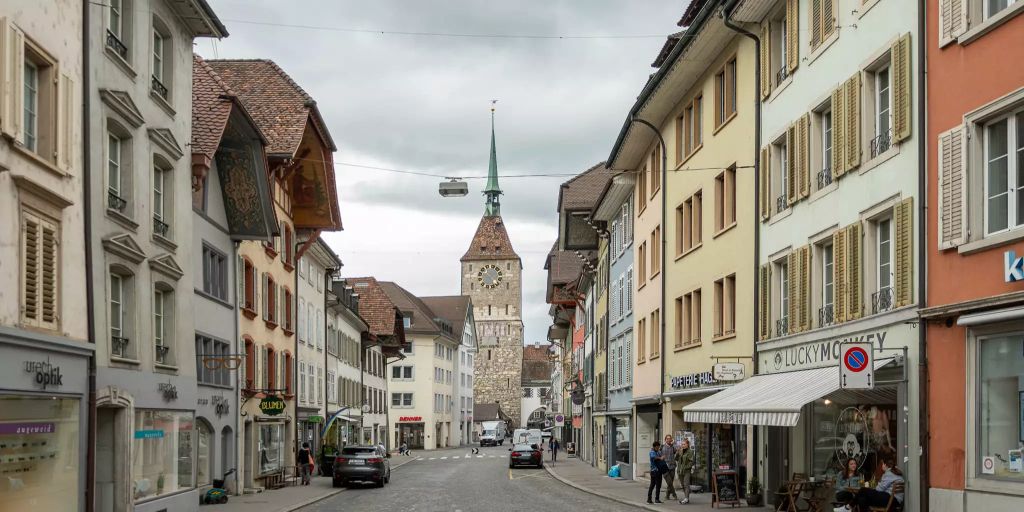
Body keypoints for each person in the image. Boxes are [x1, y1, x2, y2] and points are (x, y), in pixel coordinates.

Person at [834, 455, 904, 512]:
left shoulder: (889, 473)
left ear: (885, 465)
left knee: (863, 491)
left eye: (882, 464)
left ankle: (847, 507)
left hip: (891, 500)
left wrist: (877, 485)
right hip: (892, 499)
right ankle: (847, 508)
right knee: (862, 499)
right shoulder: (895, 472)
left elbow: (879, 489)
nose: (881, 466)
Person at [674, 438, 695, 504]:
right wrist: (677, 452)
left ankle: (686, 498)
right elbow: (676, 459)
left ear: (687, 445)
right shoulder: (681, 451)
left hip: (686, 471)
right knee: (683, 485)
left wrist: (686, 467)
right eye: (682, 444)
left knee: (686, 484)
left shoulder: (690, 452)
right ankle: (686, 496)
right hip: (680, 470)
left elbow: (692, 462)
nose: (683, 445)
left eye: (684, 444)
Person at [661, 435, 678, 501]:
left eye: (670, 439)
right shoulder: (661, 447)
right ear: (665, 440)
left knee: (670, 482)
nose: (669, 440)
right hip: (664, 467)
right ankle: (674, 494)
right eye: (667, 439)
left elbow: (677, 449)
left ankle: (667, 495)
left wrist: (674, 443)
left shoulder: (673, 447)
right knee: (669, 482)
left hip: (672, 467)